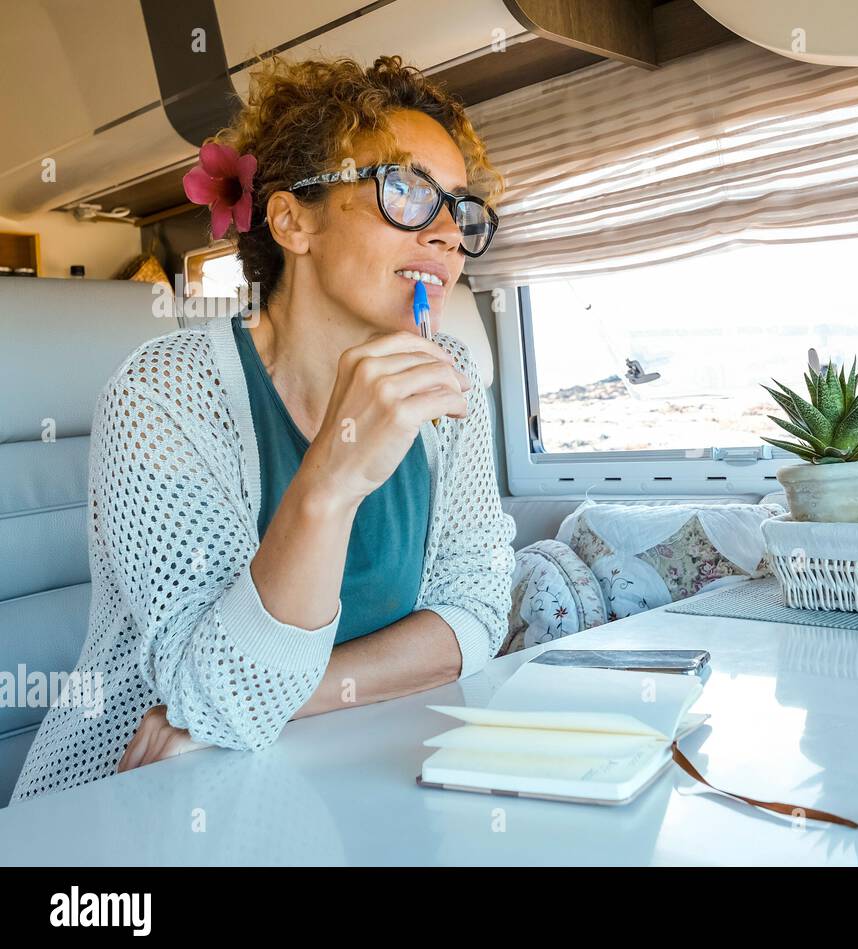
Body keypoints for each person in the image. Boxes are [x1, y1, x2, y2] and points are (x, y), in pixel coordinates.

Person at [11, 55, 516, 802]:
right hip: (129, 800)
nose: (447, 234)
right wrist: (331, 481)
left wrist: (283, 702)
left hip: (343, 772)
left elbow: (475, 617)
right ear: (292, 220)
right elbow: (213, 692)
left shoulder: (452, 378)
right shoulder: (163, 397)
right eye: (406, 191)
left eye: (459, 208)